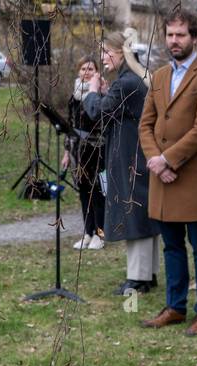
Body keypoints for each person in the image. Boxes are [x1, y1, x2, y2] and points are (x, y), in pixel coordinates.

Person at [138, 9, 197, 335]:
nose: (174, 41)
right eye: (170, 35)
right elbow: (146, 124)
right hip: (162, 176)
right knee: (172, 245)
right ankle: (175, 307)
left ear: (195, 37)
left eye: (181, 35)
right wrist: (156, 161)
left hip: (192, 176)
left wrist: (169, 160)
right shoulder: (159, 76)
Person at [82, 33, 159, 296]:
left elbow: (98, 113)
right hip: (139, 153)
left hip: (130, 155)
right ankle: (148, 275)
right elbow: (116, 109)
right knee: (144, 213)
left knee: (133, 213)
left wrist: (92, 92)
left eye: (106, 52)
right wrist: (105, 93)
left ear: (119, 52)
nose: (102, 57)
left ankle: (137, 280)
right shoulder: (135, 78)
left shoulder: (126, 82)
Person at [63, 57, 106, 251]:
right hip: (77, 150)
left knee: (97, 194)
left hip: (96, 150)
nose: (86, 72)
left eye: (90, 69)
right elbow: (70, 125)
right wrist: (66, 152)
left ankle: (101, 234)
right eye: (83, 69)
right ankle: (88, 233)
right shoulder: (73, 97)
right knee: (83, 193)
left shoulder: (101, 95)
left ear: (96, 72)